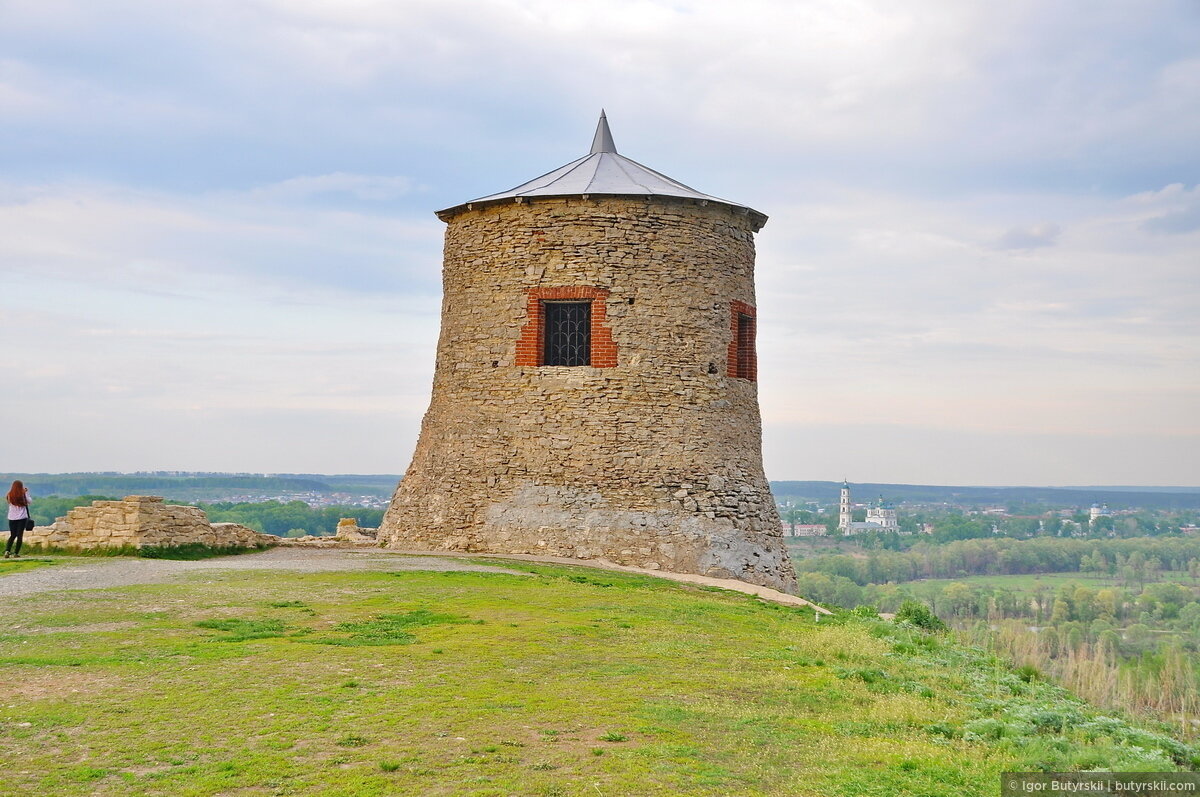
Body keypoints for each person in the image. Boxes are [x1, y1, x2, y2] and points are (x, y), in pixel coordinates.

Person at [6, 480, 30, 559]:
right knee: (19, 535)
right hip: (22, 517)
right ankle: (16, 553)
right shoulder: (22, 494)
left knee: (13, 535)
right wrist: (26, 493)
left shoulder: (9, 495)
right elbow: (29, 501)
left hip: (12, 517)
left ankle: (7, 551)